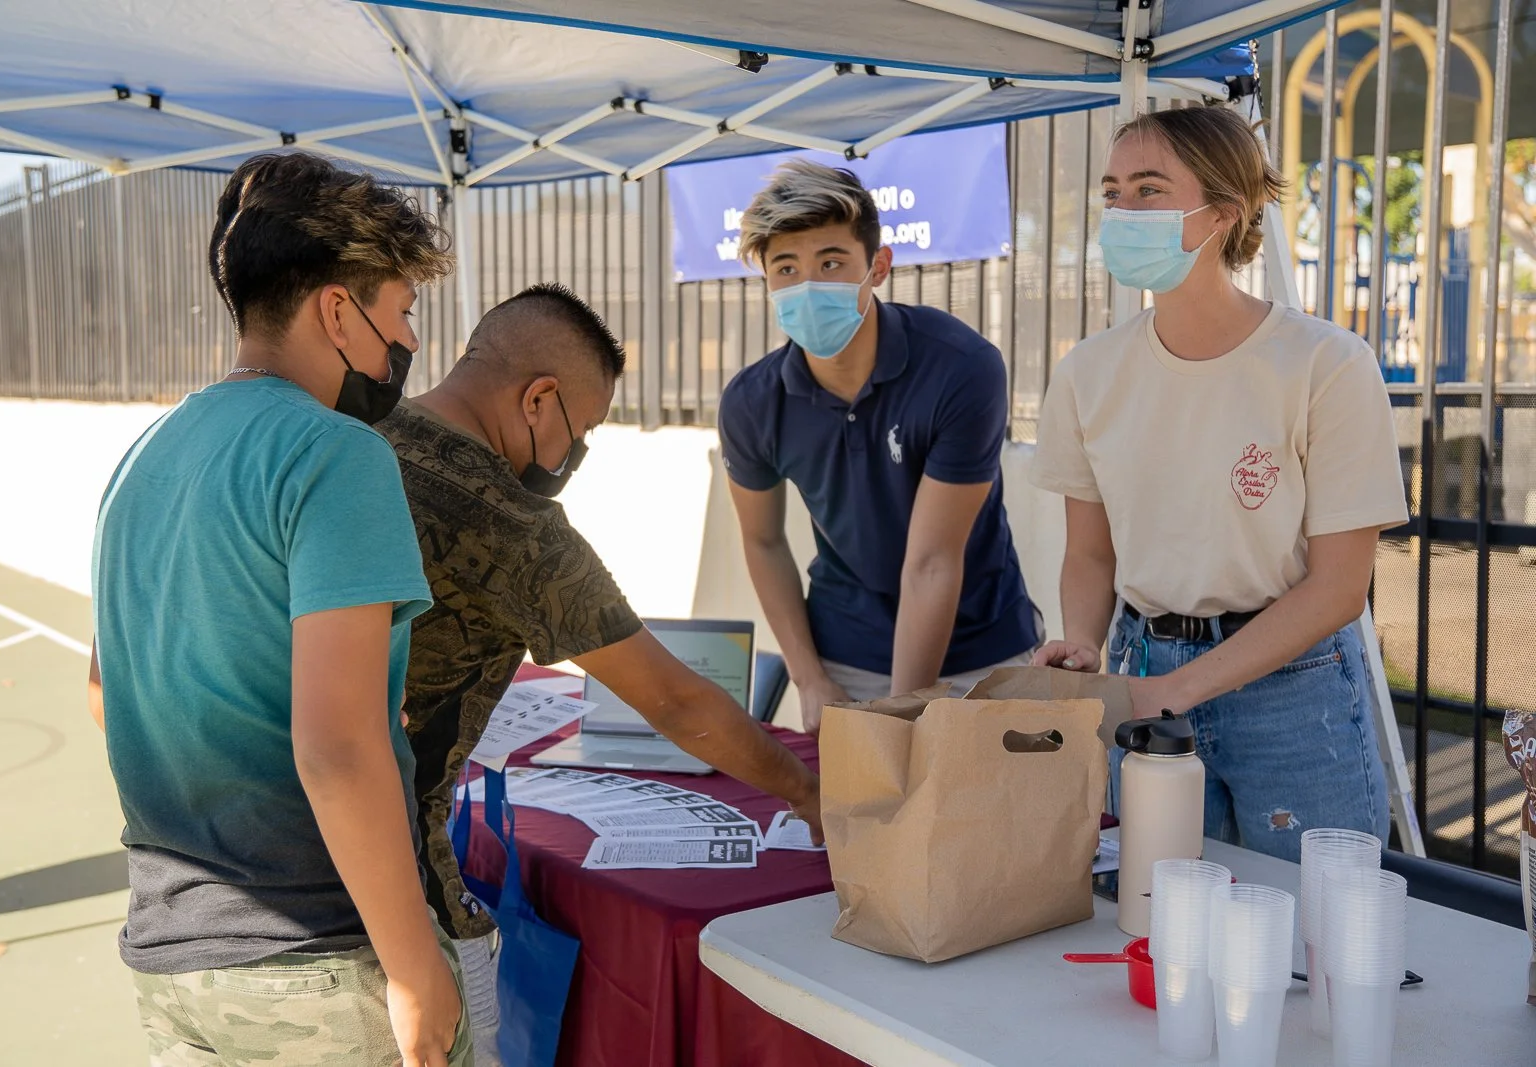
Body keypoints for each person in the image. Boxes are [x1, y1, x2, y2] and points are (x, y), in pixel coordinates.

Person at [88, 152, 471, 1066]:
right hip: (319, 966)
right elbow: (336, 747)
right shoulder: (339, 454)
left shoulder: (144, 455)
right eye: (402, 310)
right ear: (337, 309)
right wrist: (415, 967)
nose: (407, 341)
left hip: (171, 960)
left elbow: (114, 694)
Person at [375, 282, 825, 1060]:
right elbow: (681, 703)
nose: (571, 458)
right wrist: (806, 789)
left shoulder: (356, 441)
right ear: (539, 400)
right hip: (392, 889)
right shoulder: (517, 528)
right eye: (580, 433)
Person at [1029, 106, 1408, 861]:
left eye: (1148, 190)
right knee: (1156, 920)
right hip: (1143, 667)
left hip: (1294, 689)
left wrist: (1176, 692)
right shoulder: (1086, 374)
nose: (1121, 213)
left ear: (1224, 213)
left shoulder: (1325, 363)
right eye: (1112, 194)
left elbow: (1339, 587)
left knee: (1315, 933)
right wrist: (1081, 643)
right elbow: (1091, 555)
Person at [717, 160, 1039, 730]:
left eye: (831, 262)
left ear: (879, 266)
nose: (807, 285)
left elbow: (933, 562)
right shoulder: (752, 403)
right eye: (786, 267)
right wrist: (809, 677)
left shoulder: (962, 368)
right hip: (846, 660)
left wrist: (901, 714)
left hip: (985, 660)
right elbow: (762, 541)